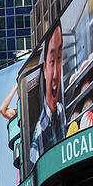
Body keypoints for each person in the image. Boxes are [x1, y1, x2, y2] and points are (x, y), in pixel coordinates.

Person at [30, 24, 66, 167]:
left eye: (59, 58)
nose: (56, 74)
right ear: (44, 68)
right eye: (52, 61)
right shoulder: (39, 133)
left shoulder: (61, 111)